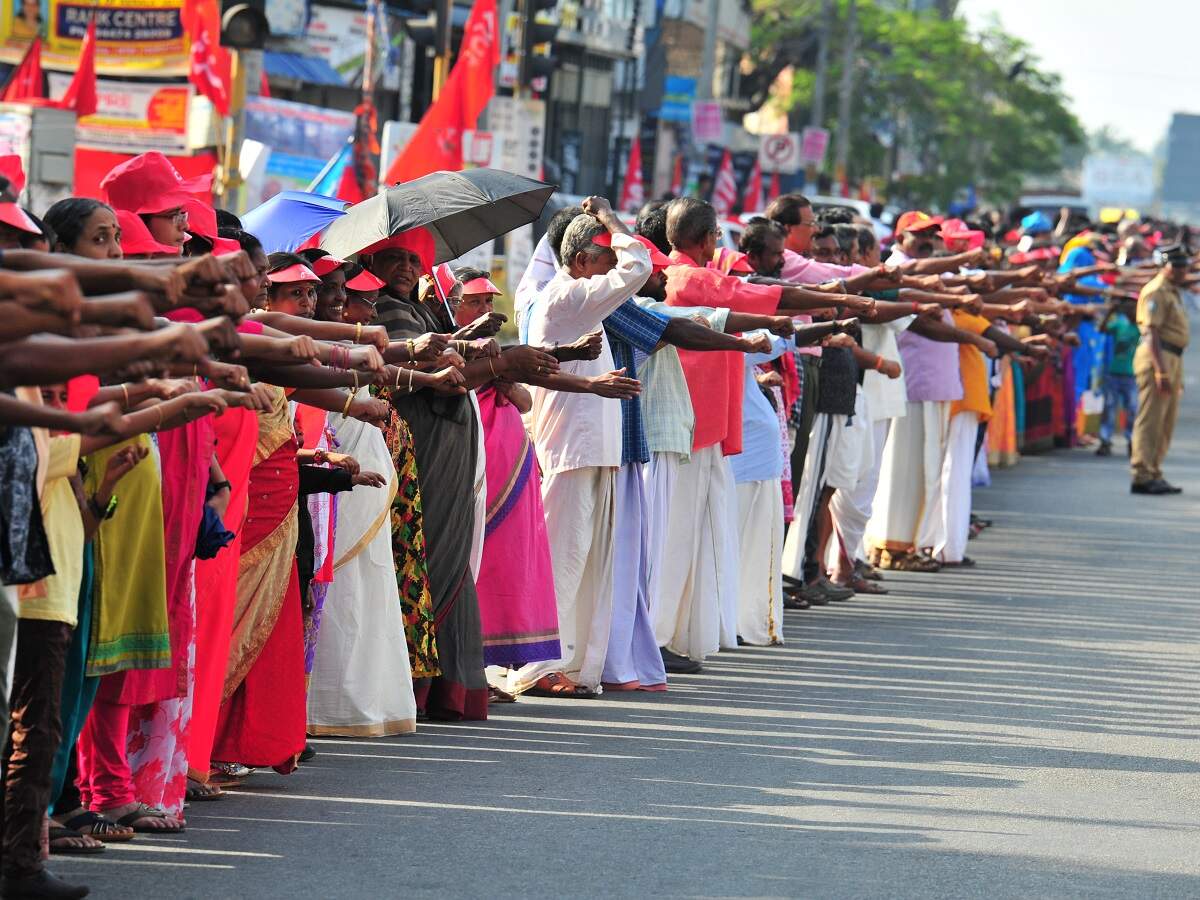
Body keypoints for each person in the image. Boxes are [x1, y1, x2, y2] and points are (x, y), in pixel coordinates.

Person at [513, 198, 651, 696]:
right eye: (601, 257)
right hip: (572, 445)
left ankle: (566, 661)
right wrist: (613, 220)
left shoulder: (569, 294)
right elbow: (640, 265)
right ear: (576, 262)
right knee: (561, 555)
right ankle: (535, 664)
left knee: (582, 558)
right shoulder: (568, 297)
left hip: (590, 446)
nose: (610, 265)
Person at [1129, 244, 1190, 495]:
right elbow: (1151, 332)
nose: (1181, 270)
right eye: (1176, 266)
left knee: (1166, 420)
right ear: (1165, 266)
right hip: (1158, 356)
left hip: (1172, 357)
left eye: (1183, 266)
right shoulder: (1155, 291)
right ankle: (1141, 474)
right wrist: (1161, 371)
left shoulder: (1172, 291)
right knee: (1151, 419)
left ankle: (1154, 470)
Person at [1097, 299, 1140, 457]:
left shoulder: (1142, 328)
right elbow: (1102, 329)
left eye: (1133, 309)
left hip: (1132, 374)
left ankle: (1131, 440)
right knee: (1109, 407)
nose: (1131, 312)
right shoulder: (1120, 325)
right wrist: (1110, 312)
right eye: (1128, 309)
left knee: (1132, 409)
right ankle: (1105, 440)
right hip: (1114, 373)